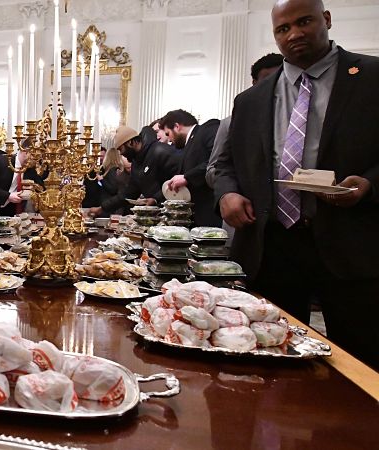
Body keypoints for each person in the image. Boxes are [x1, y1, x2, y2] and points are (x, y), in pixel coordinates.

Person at [213, 0, 379, 370]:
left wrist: (369, 184)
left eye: (304, 22)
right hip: (270, 246)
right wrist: (228, 192)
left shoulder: (371, 78)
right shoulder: (252, 99)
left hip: (351, 248)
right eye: (283, 29)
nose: (294, 34)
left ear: (327, 19)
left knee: (357, 368)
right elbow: (226, 164)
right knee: (268, 365)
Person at [206, 53, 284, 188]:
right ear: (254, 83)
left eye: (281, 80)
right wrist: (230, 190)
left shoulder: (302, 120)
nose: (275, 87)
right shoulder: (231, 122)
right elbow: (213, 171)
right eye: (267, 81)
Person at [95, 125, 179, 214]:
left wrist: (155, 199)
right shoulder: (136, 162)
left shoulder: (161, 152)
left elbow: (175, 182)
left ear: (130, 143)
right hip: (156, 215)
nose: (121, 153)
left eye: (120, 149)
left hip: (173, 214)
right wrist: (102, 208)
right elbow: (129, 193)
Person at [162, 109, 221, 226]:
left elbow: (216, 161)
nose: (169, 140)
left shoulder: (208, 129)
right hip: (197, 218)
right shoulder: (188, 144)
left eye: (168, 134)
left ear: (177, 127)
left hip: (211, 214)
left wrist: (187, 177)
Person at [88, 147, 131, 216]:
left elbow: (113, 189)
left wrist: (102, 180)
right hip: (111, 205)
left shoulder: (113, 170)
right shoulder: (117, 170)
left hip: (110, 206)